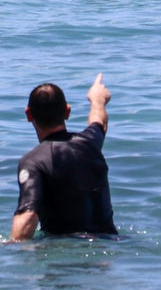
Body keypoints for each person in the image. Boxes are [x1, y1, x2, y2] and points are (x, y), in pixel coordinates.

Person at [11, 74, 117, 240]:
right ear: (67, 111)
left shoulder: (33, 162)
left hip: (64, 251)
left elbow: (28, 216)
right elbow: (99, 122)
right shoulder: (90, 143)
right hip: (110, 243)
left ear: (28, 115)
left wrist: (11, 250)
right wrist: (97, 99)